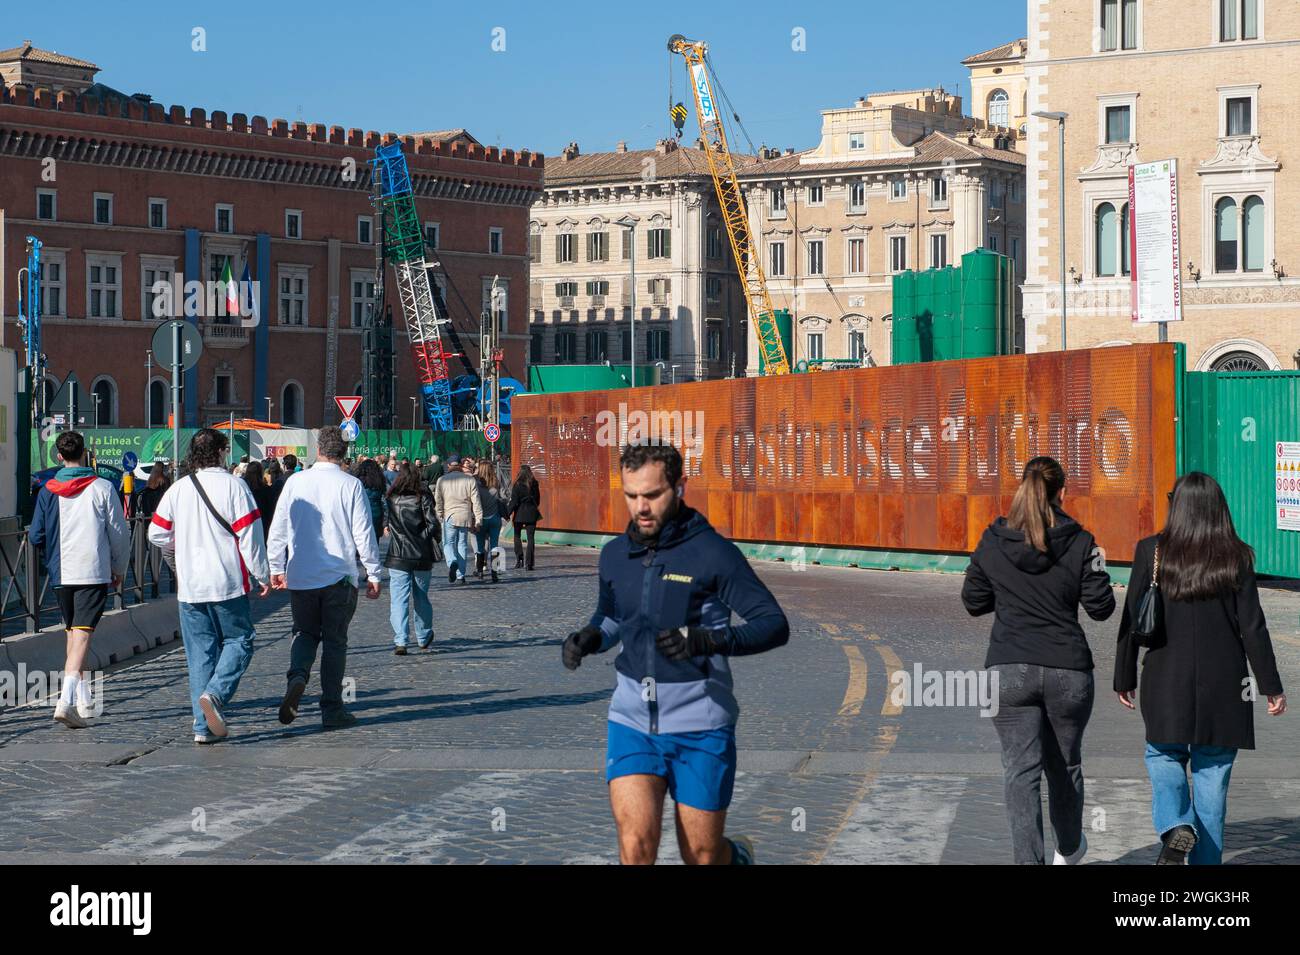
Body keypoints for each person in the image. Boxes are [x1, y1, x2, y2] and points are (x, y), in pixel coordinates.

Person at [562, 442, 788, 864]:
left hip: (700, 725)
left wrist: (708, 640)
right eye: (631, 496)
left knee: (702, 854)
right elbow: (612, 618)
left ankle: (736, 857)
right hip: (632, 721)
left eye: (652, 495)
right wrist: (591, 637)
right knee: (636, 846)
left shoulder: (713, 553)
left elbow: (774, 625)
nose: (641, 507)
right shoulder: (614, 556)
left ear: (680, 486)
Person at [1115, 472, 1287, 865]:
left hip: (1164, 678)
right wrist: (1270, 686)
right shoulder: (1237, 557)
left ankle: (1176, 825)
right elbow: (1253, 627)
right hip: (1225, 684)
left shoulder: (1151, 551)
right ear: (1218, 509)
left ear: (1177, 507)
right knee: (1212, 773)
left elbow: (1131, 620)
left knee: (1163, 755)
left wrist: (1124, 676)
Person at [961, 456, 1116, 865]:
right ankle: (1069, 847)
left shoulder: (993, 540)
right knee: (1065, 765)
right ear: (1062, 493)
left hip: (1009, 668)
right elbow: (1101, 607)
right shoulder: (1083, 542)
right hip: (1068, 670)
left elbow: (972, 602)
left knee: (1020, 771)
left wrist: (1009, 592)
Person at [148, 429, 271, 743]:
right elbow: (250, 537)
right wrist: (263, 576)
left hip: (190, 586)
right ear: (222, 452)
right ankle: (216, 694)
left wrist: (185, 548)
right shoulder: (235, 486)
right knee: (239, 640)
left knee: (200, 654)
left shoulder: (179, 488)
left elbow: (156, 534)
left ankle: (203, 727)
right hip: (227, 581)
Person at [266, 426, 382, 729]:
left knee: (304, 633)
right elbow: (363, 532)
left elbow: (278, 527)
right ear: (343, 452)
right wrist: (374, 572)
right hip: (339, 578)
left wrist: (276, 567)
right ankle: (332, 708)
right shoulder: (351, 485)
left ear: (318, 449)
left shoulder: (295, 482)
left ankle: (298, 676)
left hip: (302, 575)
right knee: (335, 642)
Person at [28, 431, 130, 729]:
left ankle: (85, 699)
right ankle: (66, 700)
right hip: (92, 570)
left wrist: (50, 557)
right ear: (84, 453)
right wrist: (119, 566)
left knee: (74, 634)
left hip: (61, 572)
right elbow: (118, 533)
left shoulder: (47, 490)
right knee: (83, 634)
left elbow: (35, 536)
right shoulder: (102, 487)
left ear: (59, 456)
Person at [385, 463, 438, 653]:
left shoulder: (391, 498)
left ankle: (401, 640)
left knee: (399, 599)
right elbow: (433, 524)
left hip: (398, 554)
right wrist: (422, 538)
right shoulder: (422, 497)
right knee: (421, 597)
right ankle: (423, 636)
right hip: (421, 554)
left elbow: (390, 523)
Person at [435, 453, 482, 585]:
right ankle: (461, 575)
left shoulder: (442, 480)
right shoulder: (470, 480)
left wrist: (439, 513)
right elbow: (476, 501)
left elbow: (438, 500)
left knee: (448, 543)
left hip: (449, 515)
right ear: (460, 465)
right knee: (462, 545)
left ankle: (452, 562)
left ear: (449, 465)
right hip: (465, 516)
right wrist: (478, 519)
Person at [473, 460, 509, 583]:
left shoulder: (476, 484)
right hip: (495, 518)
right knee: (494, 545)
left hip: (481, 518)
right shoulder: (496, 483)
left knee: (480, 546)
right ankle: (494, 573)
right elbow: (504, 498)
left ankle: (480, 571)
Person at [509, 464, 542, 571]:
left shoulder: (517, 484)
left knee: (517, 536)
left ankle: (519, 560)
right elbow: (537, 500)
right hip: (532, 513)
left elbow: (514, 502)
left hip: (519, 513)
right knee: (531, 538)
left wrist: (507, 513)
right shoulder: (534, 483)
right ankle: (529, 563)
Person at [353, 458, 388, 540]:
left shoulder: (357, 482)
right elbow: (384, 503)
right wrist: (386, 522)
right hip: (377, 515)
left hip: (360, 514)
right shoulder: (380, 482)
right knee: (375, 541)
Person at [242, 460, 278, 537]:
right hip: (262, 525)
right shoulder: (266, 489)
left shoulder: (242, 488)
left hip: (244, 524)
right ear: (260, 472)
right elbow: (271, 510)